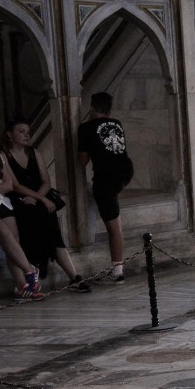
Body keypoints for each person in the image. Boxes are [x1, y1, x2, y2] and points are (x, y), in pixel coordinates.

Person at [4, 118, 91, 292]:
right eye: (21, 131)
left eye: (28, 131)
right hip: (19, 200)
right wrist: (40, 199)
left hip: (39, 198)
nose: (26, 134)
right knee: (31, 219)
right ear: (9, 135)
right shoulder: (3, 155)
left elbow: (46, 181)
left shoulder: (34, 153)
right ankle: (32, 273)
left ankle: (73, 277)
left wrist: (39, 198)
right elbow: (15, 185)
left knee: (54, 234)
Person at [0, 118, 44, 301]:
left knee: (13, 240)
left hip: (0, 201)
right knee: (3, 233)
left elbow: (9, 184)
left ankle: (23, 287)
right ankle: (30, 270)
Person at [77, 91, 134, 283]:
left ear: (92, 108)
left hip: (106, 179)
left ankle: (118, 271)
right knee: (115, 220)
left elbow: (82, 160)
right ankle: (117, 269)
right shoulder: (116, 123)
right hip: (124, 172)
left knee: (113, 227)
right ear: (109, 110)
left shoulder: (85, 128)